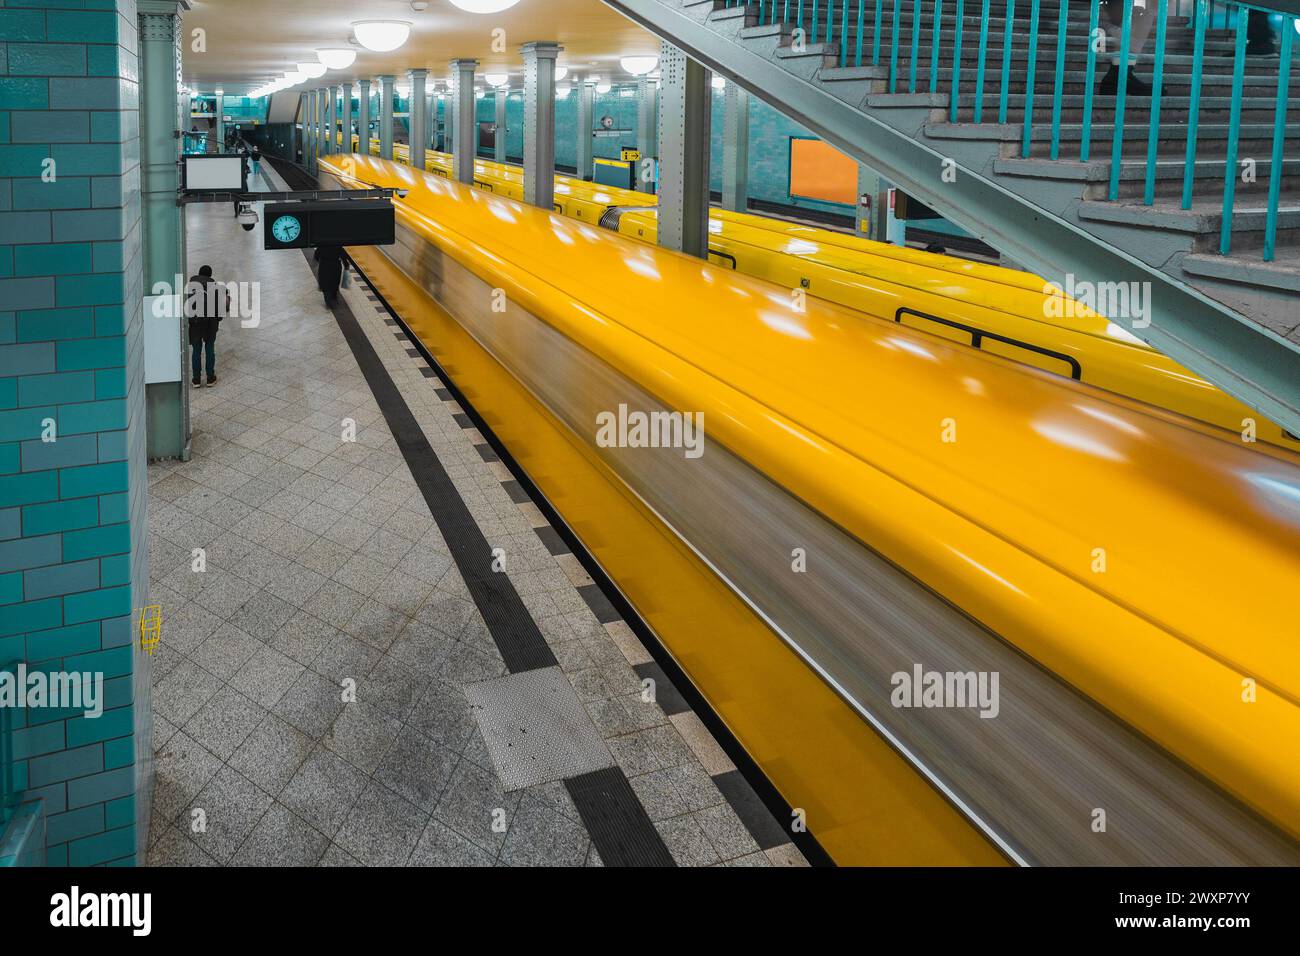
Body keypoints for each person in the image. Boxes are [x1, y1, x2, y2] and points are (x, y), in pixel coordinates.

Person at [185, 265, 227, 387]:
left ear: (199, 274)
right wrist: (218, 319)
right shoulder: (214, 287)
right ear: (210, 275)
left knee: (196, 350)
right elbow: (219, 309)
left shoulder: (190, 287)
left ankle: (196, 379)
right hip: (210, 324)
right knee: (209, 349)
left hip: (195, 323)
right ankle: (210, 378)